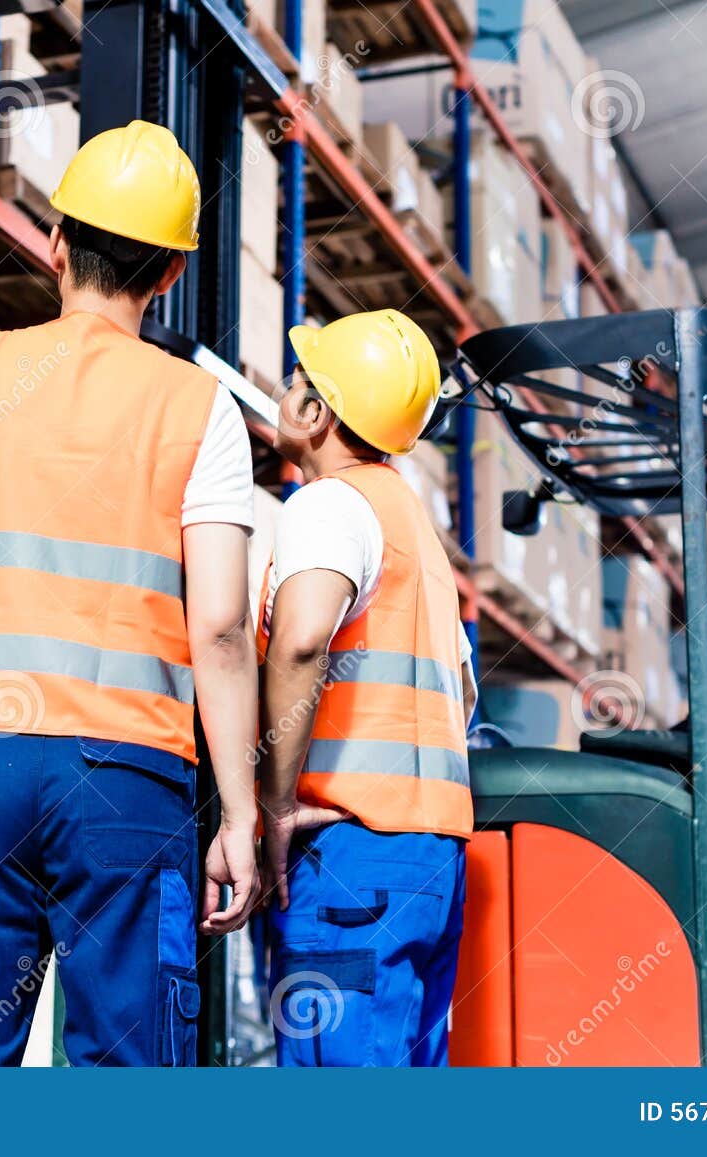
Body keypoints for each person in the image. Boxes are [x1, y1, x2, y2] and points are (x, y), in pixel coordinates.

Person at [0, 120, 260, 1067]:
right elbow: (218, 624)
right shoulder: (199, 408)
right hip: (125, 783)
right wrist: (244, 814)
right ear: (170, 275)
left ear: (54, 245)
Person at [255, 309, 475, 1067]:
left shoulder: (329, 503)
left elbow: (304, 639)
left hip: (350, 855)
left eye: (294, 384)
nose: (283, 395)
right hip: (429, 861)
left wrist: (274, 804)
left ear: (317, 412)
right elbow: (464, 694)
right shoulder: (412, 526)